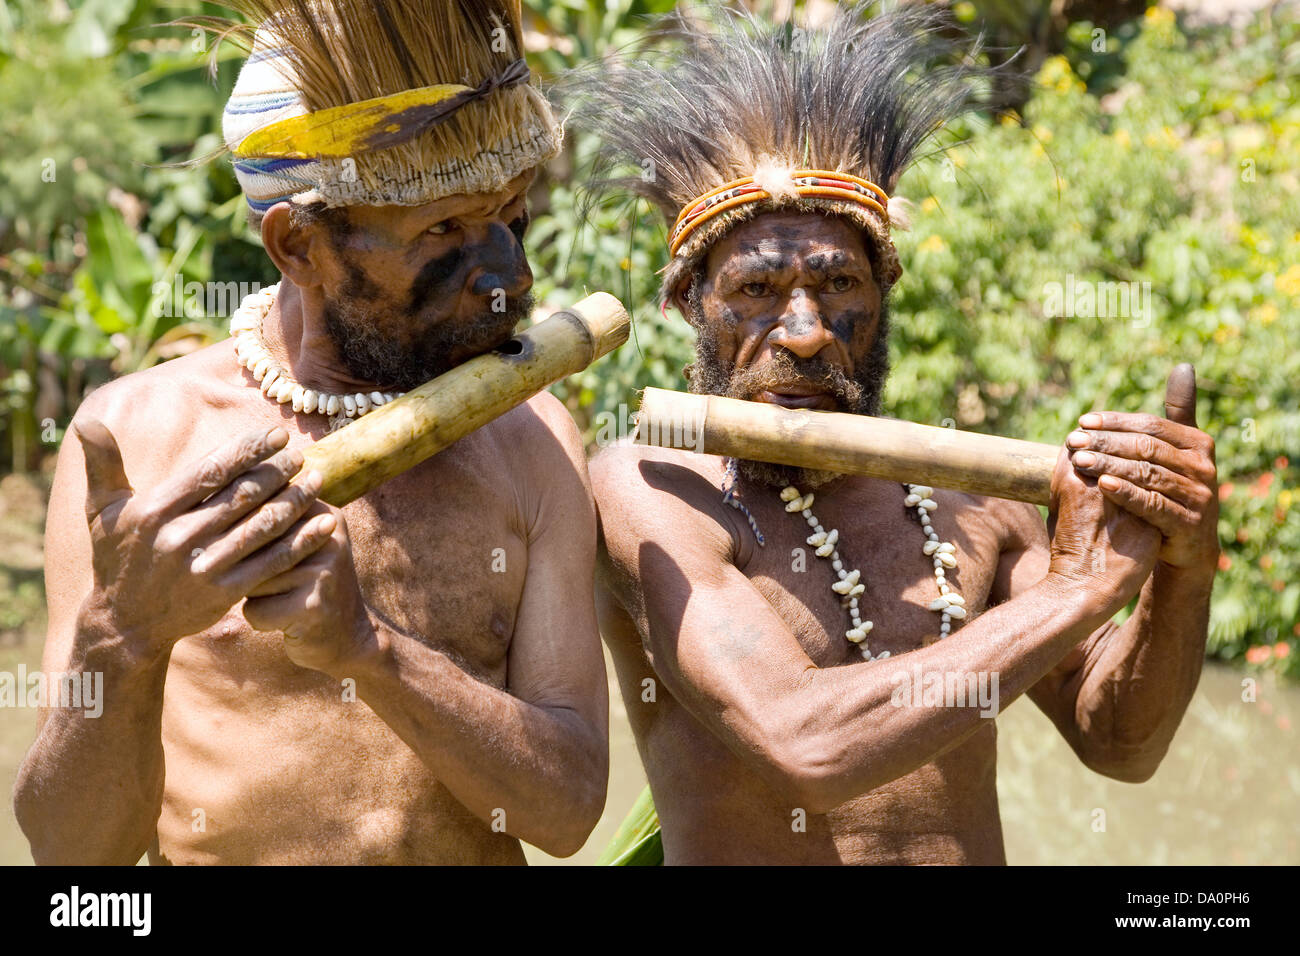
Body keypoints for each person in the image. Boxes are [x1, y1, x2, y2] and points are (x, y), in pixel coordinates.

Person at [573, 4, 1219, 865]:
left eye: (837, 282)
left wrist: (1182, 565)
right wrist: (1076, 592)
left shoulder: (972, 504)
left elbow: (1121, 742)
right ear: (687, 303)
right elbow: (805, 744)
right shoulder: (651, 488)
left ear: (883, 297)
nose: (803, 332)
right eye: (757, 293)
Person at [13, 0, 608, 865]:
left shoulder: (534, 440)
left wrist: (371, 653)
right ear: (297, 244)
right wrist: (125, 636)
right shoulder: (135, 439)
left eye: (509, 214)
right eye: (442, 228)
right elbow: (72, 861)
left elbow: (565, 817)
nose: (507, 275)